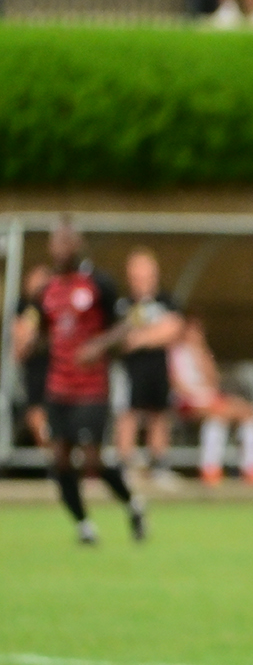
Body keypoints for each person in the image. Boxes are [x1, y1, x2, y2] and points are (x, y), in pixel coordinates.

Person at [12, 220, 147, 545]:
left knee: (91, 461)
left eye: (66, 242)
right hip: (58, 388)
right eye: (55, 243)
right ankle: (84, 526)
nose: (60, 249)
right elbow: (41, 329)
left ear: (78, 245)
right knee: (59, 459)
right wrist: (31, 343)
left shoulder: (99, 283)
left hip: (92, 389)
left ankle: (133, 504)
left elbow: (127, 324)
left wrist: (98, 346)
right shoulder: (47, 290)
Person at [107, 248, 185, 487]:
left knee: (159, 415)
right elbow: (120, 338)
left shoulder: (166, 301)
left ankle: (159, 466)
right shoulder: (122, 304)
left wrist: (142, 337)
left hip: (157, 369)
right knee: (127, 415)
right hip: (130, 370)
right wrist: (154, 333)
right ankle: (125, 466)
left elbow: (174, 328)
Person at [169, 314, 253, 485]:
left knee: (250, 412)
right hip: (188, 401)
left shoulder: (203, 353)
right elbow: (177, 384)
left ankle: (252, 467)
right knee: (218, 414)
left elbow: (214, 381)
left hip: (210, 398)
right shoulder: (175, 352)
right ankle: (210, 468)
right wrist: (201, 394)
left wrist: (201, 357)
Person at [12, 264, 52, 448]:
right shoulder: (25, 307)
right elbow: (19, 349)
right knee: (36, 415)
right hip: (36, 372)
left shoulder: (56, 304)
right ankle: (50, 455)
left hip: (60, 371)